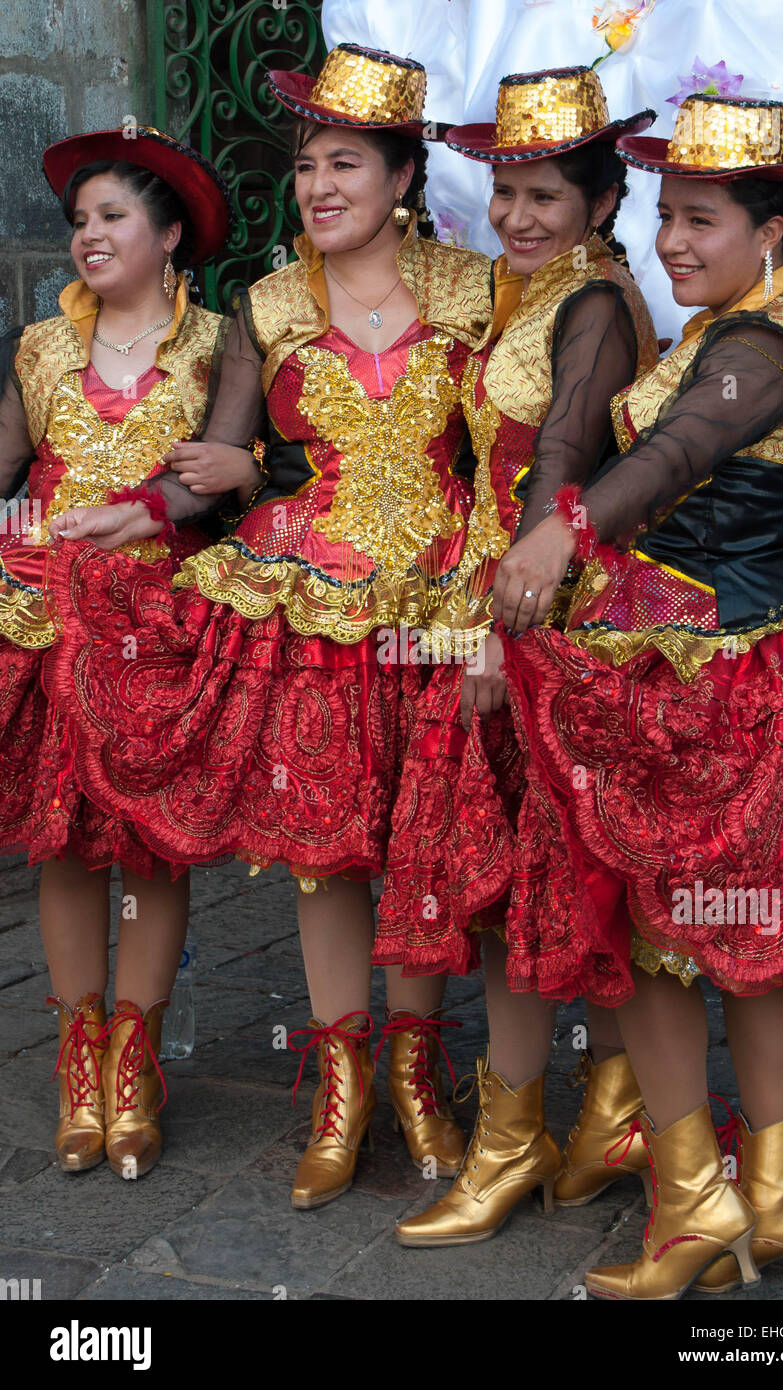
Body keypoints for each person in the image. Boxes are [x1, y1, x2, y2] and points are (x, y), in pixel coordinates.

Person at [44, 45, 494, 1208]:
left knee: (421, 842)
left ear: (402, 177)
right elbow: (224, 463)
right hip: (314, 604)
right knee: (323, 851)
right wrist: (142, 508)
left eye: (343, 163)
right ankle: (340, 1091)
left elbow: (513, 451)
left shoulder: (473, 294)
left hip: (443, 599)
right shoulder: (267, 303)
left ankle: (417, 1075)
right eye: (303, 169)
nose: (316, 187)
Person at [497, 93, 783, 1298]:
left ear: (769, 228)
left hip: (725, 670)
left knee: (653, 933)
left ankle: (695, 1203)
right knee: (750, 935)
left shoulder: (757, 345)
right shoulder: (752, 324)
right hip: (750, 658)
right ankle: (778, 1190)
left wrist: (562, 534)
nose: (671, 243)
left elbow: (671, 459)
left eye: (700, 220)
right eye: (663, 218)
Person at [370, 67, 660, 1244]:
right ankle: (579, 1116)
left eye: (544, 194)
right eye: (505, 192)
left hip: (548, 616)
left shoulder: (588, 305)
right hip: (501, 598)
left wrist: (504, 626)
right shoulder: (530, 288)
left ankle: (520, 1139)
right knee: (522, 889)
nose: (519, 214)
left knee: (529, 886)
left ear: (597, 204)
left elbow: (560, 472)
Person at [0, 127, 234, 1178]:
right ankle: (78, 1058)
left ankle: (135, 1058)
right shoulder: (43, 348)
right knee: (63, 838)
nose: (90, 235)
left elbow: (247, 479)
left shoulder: (221, 344)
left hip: (158, 628)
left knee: (148, 843)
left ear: (170, 234)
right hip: (50, 619)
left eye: (113, 217)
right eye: (81, 221)